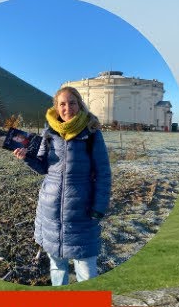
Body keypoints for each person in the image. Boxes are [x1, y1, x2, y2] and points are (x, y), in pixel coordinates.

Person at [14, 86, 111, 285]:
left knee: (85, 268)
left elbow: (103, 173)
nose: (68, 108)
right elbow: (42, 167)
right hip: (50, 209)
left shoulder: (91, 133)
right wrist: (26, 158)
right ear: (57, 107)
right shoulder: (49, 132)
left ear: (80, 104)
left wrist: (99, 207)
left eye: (72, 103)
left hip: (81, 210)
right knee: (57, 266)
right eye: (63, 104)